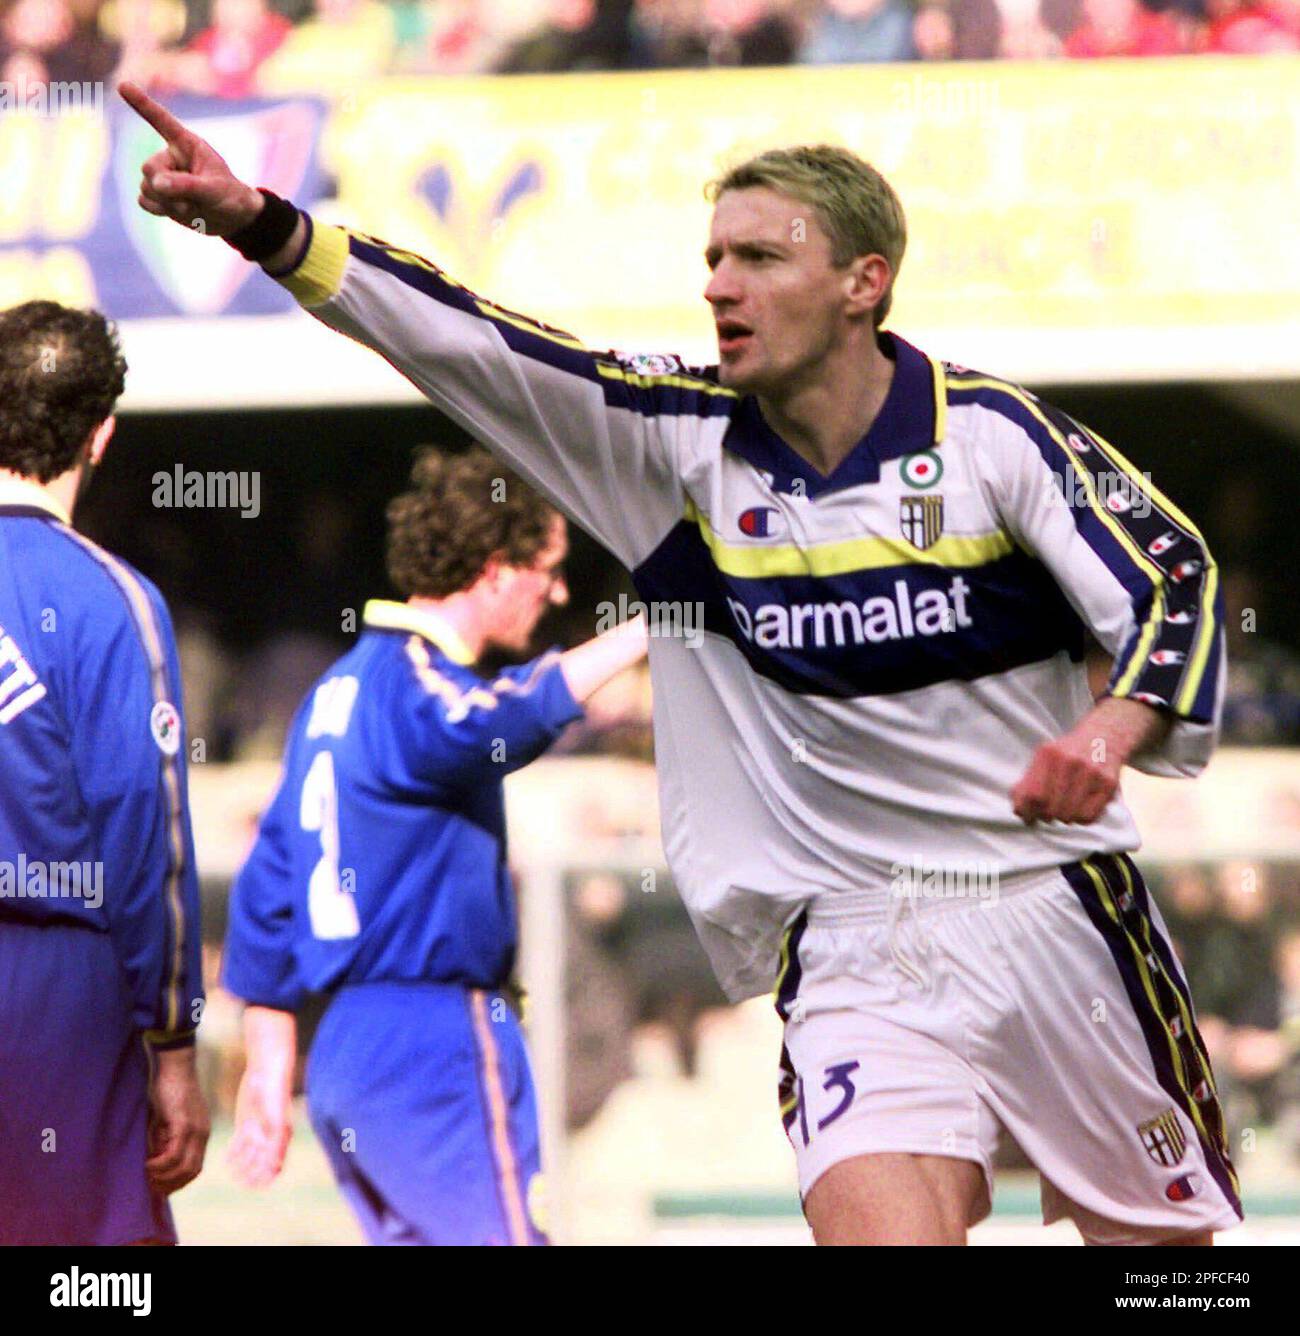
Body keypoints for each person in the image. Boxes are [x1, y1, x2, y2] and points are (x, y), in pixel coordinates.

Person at [121, 84, 1239, 1246]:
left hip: (1053, 908)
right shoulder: (667, 444)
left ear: (863, 283)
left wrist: (1105, 733)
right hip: (853, 939)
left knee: (1169, 1270)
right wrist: (262, 222)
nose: (717, 284)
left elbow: (1174, 577)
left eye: (758, 256)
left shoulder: (998, 437)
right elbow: (473, 340)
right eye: (712, 258)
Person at [221, 446, 648, 1246]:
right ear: (496, 570)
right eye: (548, 570)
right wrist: (649, 630)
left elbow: (268, 879)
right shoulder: (419, 686)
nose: (557, 592)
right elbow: (492, 722)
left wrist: (272, 1060)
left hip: (345, 1048)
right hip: (432, 1036)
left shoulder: (334, 693)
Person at [0, 299, 208, 1245]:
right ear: (102, 436)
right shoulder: (112, 602)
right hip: (56, 995)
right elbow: (144, 837)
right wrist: (173, 1046)